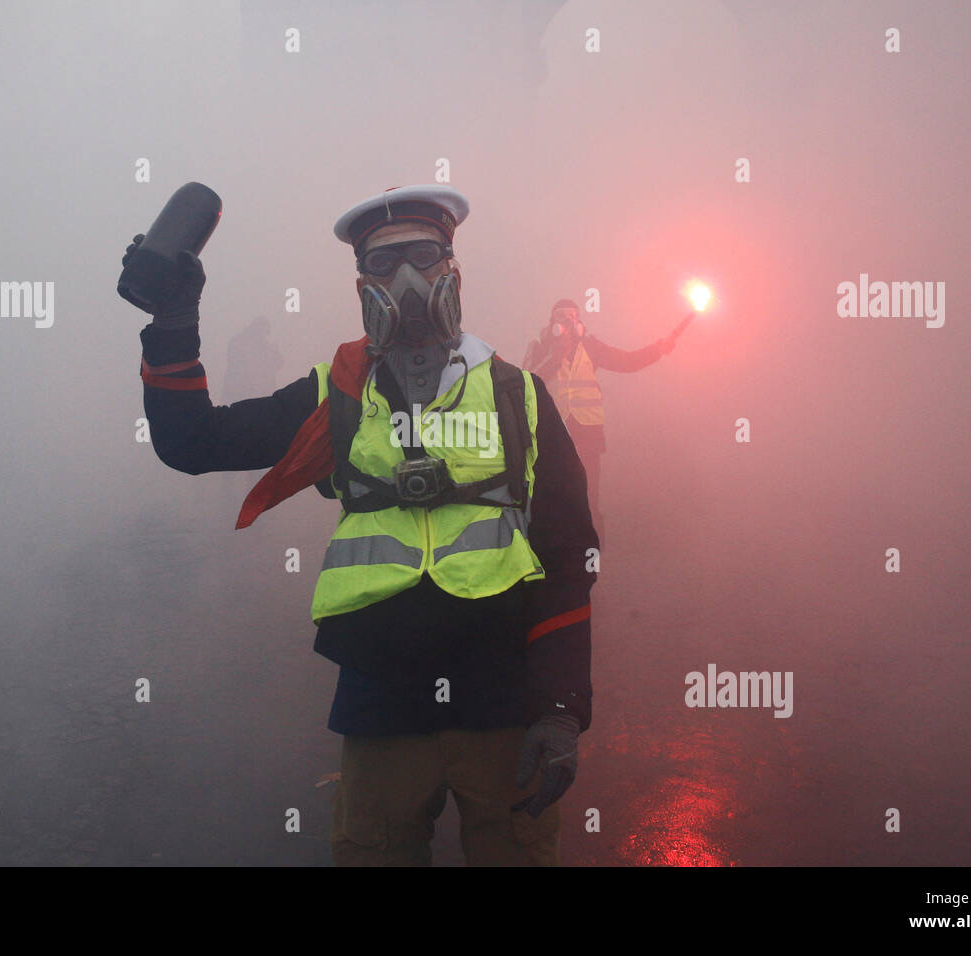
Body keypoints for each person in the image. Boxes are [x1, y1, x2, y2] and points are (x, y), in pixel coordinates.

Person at [123, 185, 598, 866]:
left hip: (503, 702)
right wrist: (172, 321)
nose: (405, 278)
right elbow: (192, 443)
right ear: (360, 284)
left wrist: (560, 708)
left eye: (422, 255)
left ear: (452, 268)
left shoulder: (515, 395)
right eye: (383, 263)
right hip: (382, 705)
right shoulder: (337, 394)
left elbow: (570, 552)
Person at [523, 299, 676, 545]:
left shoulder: (591, 347)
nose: (569, 323)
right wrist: (556, 355)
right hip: (551, 437)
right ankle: (548, 552)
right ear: (552, 323)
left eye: (574, 317)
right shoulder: (540, 348)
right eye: (563, 317)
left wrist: (658, 349)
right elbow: (527, 384)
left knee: (587, 495)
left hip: (587, 435)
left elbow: (627, 362)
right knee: (549, 493)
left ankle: (590, 555)